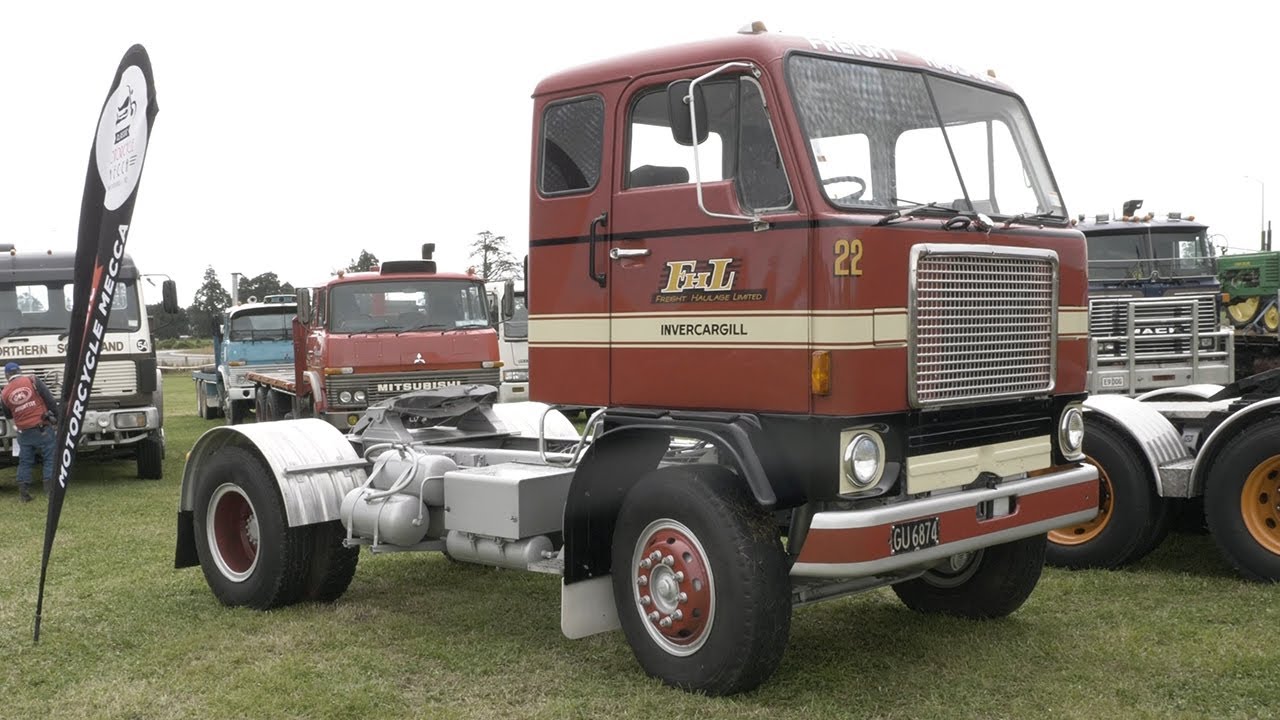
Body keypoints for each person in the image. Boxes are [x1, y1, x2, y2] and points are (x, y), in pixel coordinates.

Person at [1, 361, 59, 502]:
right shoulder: (33, 380)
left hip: (24, 432)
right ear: (20, 371)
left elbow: (9, 415)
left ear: (7, 375)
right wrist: (57, 418)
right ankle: (50, 492)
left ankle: (24, 493)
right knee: (50, 458)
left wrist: (17, 427)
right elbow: (50, 400)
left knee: (25, 461)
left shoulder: (4, 393)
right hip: (42, 428)